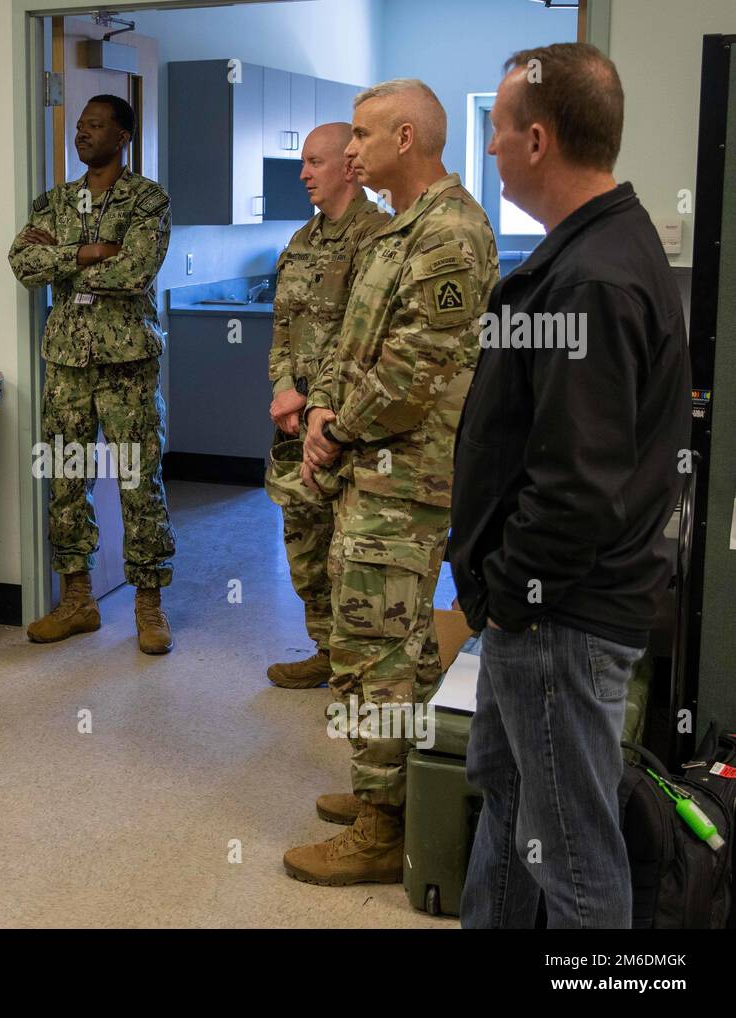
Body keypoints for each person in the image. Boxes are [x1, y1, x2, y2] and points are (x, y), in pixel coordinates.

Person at [452, 43, 690, 928]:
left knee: (578, 866)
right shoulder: (590, 251)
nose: (491, 148)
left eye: (498, 130)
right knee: (514, 816)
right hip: (544, 614)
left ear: (540, 140)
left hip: (558, 619)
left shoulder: (591, 278)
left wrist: (512, 597)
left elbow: (575, 488)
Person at [284, 80, 498, 884]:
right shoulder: (397, 231)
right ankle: (389, 786)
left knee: (382, 649)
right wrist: (323, 409)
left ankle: (381, 827)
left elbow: (410, 373)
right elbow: (353, 342)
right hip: (368, 469)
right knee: (374, 639)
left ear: (406, 138)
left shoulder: (448, 234)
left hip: (407, 478)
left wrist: (333, 430)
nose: (349, 152)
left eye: (363, 137)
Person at [8, 95, 176, 655]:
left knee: (137, 480)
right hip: (65, 364)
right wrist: (88, 251)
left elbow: (135, 271)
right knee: (65, 478)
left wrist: (64, 253)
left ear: (123, 135)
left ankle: (149, 605)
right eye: (79, 126)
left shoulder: (147, 200)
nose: (82, 134)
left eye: (96, 125)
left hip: (127, 362)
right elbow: (24, 266)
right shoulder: (53, 201)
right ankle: (78, 601)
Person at [265, 122, 387, 689]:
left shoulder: (378, 238)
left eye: (314, 162)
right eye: (303, 163)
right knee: (305, 546)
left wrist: (313, 399)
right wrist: (282, 389)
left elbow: (367, 340)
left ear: (348, 164)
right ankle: (325, 648)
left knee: (351, 554)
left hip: (347, 427)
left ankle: (357, 666)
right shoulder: (301, 242)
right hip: (294, 425)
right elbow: (282, 329)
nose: (304, 173)